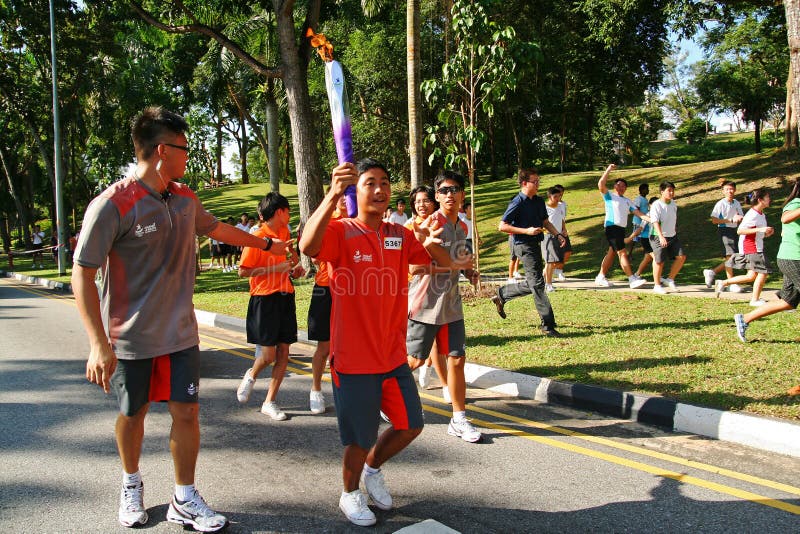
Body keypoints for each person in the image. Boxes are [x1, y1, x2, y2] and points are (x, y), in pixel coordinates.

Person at [71, 106, 286, 531]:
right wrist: (98, 343)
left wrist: (268, 246)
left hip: (182, 335)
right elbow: (83, 271)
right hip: (131, 339)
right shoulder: (113, 204)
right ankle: (131, 483)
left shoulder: (185, 198)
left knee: (186, 413)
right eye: (185, 148)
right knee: (134, 413)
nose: (190, 155)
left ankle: (184, 498)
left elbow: (218, 229)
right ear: (161, 150)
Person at [299, 158, 454, 527]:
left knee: (411, 424)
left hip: (391, 356)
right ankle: (349, 494)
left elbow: (447, 264)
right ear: (357, 189)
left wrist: (433, 244)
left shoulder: (398, 234)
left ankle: (372, 469)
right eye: (371, 183)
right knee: (359, 437)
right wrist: (333, 192)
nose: (381, 189)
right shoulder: (341, 230)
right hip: (353, 360)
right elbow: (307, 245)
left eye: (385, 182)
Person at [405, 170, 482, 443]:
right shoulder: (428, 225)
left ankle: (459, 419)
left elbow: (459, 260)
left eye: (455, 189)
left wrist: (467, 272)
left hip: (450, 305)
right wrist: (448, 266)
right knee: (413, 361)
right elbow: (413, 267)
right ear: (437, 196)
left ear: (462, 194)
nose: (450, 194)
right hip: (425, 303)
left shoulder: (461, 226)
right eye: (445, 190)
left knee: (457, 359)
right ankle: (383, 394)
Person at [236, 193, 305, 420]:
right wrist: (273, 270)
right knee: (267, 356)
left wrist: (295, 268)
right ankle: (252, 374)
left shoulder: (285, 233)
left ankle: (270, 401)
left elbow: (293, 262)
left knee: (284, 352)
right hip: (264, 299)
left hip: (285, 297)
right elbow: (243, 271)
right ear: (279, 212)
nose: (290, 214)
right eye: (288, 210)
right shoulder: (257, 238)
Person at [490, 168, 565, 337]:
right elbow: (502, 226)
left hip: (535, 244)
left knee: (535, 282)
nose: (538, 184)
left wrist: (557, 234)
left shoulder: (538, 201)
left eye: (539, 181)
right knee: (538, 284)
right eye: (535, 181)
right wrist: (526, 231)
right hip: (523, 245)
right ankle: (548, 325)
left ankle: (502, 294)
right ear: (524, 183)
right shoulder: (517, 202)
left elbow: (545, 221)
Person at [734, 180, 800, 356]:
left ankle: (744, 319)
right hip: (792, 258)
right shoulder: (796, 203)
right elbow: (785, 218)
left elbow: (786, 229)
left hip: (792, 257)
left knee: (787, 302)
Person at [305, 193, 347, 415]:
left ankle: (349, 394)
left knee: (350, 348)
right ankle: (316, 389)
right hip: (326, 288)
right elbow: (313, 256)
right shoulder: (327, 220)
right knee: (325, 347)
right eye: (340, 194)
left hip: (354, 291)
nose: (344, 199)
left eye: (349, 193)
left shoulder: (360, 220)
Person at [404, 186, 447, 391]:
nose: (421, 205)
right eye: (417, 201)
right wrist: (448, 268)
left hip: (444, 293)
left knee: (441, 344)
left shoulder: (444, 224)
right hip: (417, 292)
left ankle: (433, 373)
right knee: (421, 351)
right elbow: (414, 267)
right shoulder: (409, 227)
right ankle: (387, 385)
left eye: (426, 200)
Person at [715, 189, 774, 306]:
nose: (770, 199)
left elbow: (756, 232)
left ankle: (722, 283)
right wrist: (760, 229)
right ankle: (755, 300)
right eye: (767, 197)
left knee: (751, 276)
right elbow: (740, 230)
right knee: (763, 272)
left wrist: (766, 233)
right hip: (751, 247)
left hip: (756, 246)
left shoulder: (761, 214)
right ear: (760, 200)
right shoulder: (752, 214)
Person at [594, 164, 649, 289]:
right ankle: (631, 278)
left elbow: (639, 213)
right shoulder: (609, 196)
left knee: (612, 253)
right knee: (622, 253)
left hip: (620, 229)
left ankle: (600, 276)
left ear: (626, 188)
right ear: (614, 186)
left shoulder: (627, 201)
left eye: (623, 186)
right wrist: (608, 169)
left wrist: (651, 219)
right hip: (611, 227)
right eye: (618, 185)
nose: (621, 187)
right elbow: (601, 184)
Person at [704, 180, 745, 291]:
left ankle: (712, 272)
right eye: (727, 189)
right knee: (730, 256)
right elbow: (714, 220)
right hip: (724, 230)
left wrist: (740, 218)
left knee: (734, 257)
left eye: (731, 189)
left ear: (735, 190)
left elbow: (741, 215)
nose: (730, 191)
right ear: (723, 191)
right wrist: (730, 220)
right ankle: (730, 284)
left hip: (735, 230)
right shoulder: (720, 204)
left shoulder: (736, 203)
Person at [650, 181, 686, 294]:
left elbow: (673, 219)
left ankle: (670, 279)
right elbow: (655, 222)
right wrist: (661, 237)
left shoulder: (673, 204)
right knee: (659, 261)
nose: (671, 192)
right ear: (662, 192)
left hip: (672, 236)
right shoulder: (656, 204)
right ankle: (657, 285)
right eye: (669, 190)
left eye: (672, 190)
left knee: (681, 257)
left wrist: (674, 229)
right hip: (657, 236)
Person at [542, 186, 571, 293]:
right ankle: (548, 284)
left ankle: (543, 279)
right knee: (550, 261)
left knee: (554, 261)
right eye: (555, 196)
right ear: (549, 196)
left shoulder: (560, 206)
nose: (558, 198)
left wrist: (563, 230)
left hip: (558, 236)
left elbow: (562, 219)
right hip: (547, 236)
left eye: (559, 196)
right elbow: (543, 223)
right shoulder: (545, 208)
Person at [626, 183, 650, 258]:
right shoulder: (638, 199)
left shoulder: (645, 199)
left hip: (644, 222)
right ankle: (629, 253)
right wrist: (642, 218)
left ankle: (647, 252)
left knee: (645, 237)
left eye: (648, 189)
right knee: (634, 238)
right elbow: (636, 210)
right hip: (638, 222)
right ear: (641, 190)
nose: (648, 190)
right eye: (646, 189)